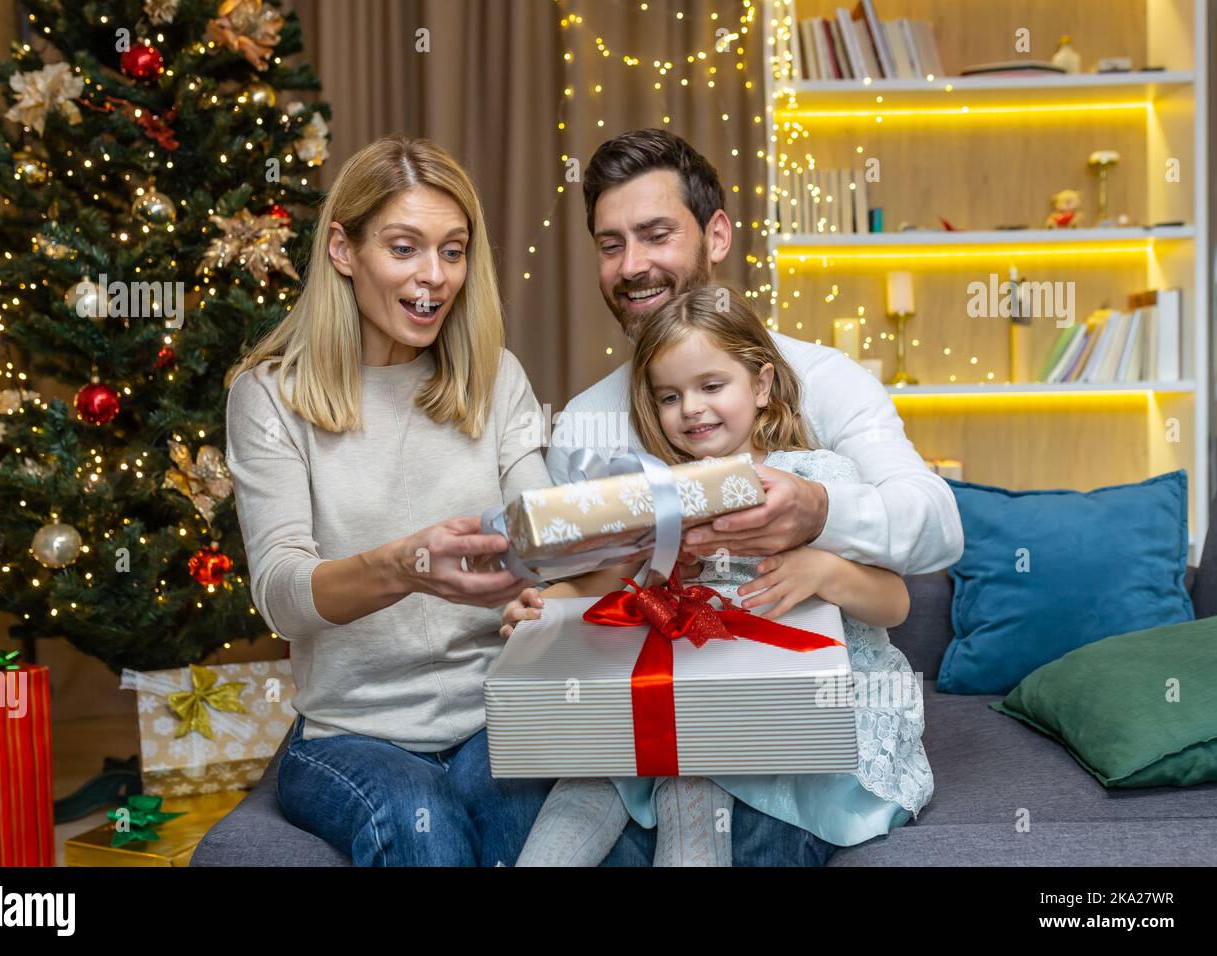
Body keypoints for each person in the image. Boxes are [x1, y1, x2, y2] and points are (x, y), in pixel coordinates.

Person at [540, 128, 962, 865]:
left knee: (733, 813)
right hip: (666, 702)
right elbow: (592, 585)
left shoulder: (823, 384)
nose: (633, 265)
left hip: (786, 709)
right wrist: (555, 601)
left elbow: (936, 528)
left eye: (655, 234)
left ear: (717, 235)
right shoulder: (584, 423)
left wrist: (817, 518)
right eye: (611, 244)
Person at [503, 285, 934, 866]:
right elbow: (608, 578)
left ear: (760, 385)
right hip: (696, 693)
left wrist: (824, 569)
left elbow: (894, 603)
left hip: (801, 707)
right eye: (670, 396)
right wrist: (543, 604)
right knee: (586, 783)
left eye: (711, 386)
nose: (692, 409)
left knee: (693, 786)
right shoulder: (662, 490)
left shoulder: (813, 477)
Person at [224, 134, 557, 866]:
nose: (433, 277)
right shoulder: (270, 397)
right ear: (343, 250)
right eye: (404, 248)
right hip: (349, 733)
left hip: (491, 717)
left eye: (452, 250)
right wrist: (403, 567)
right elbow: (282, 594)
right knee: (417, 821)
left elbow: (543, 531)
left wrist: (548, 582)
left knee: (540, 829)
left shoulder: (496, 379)